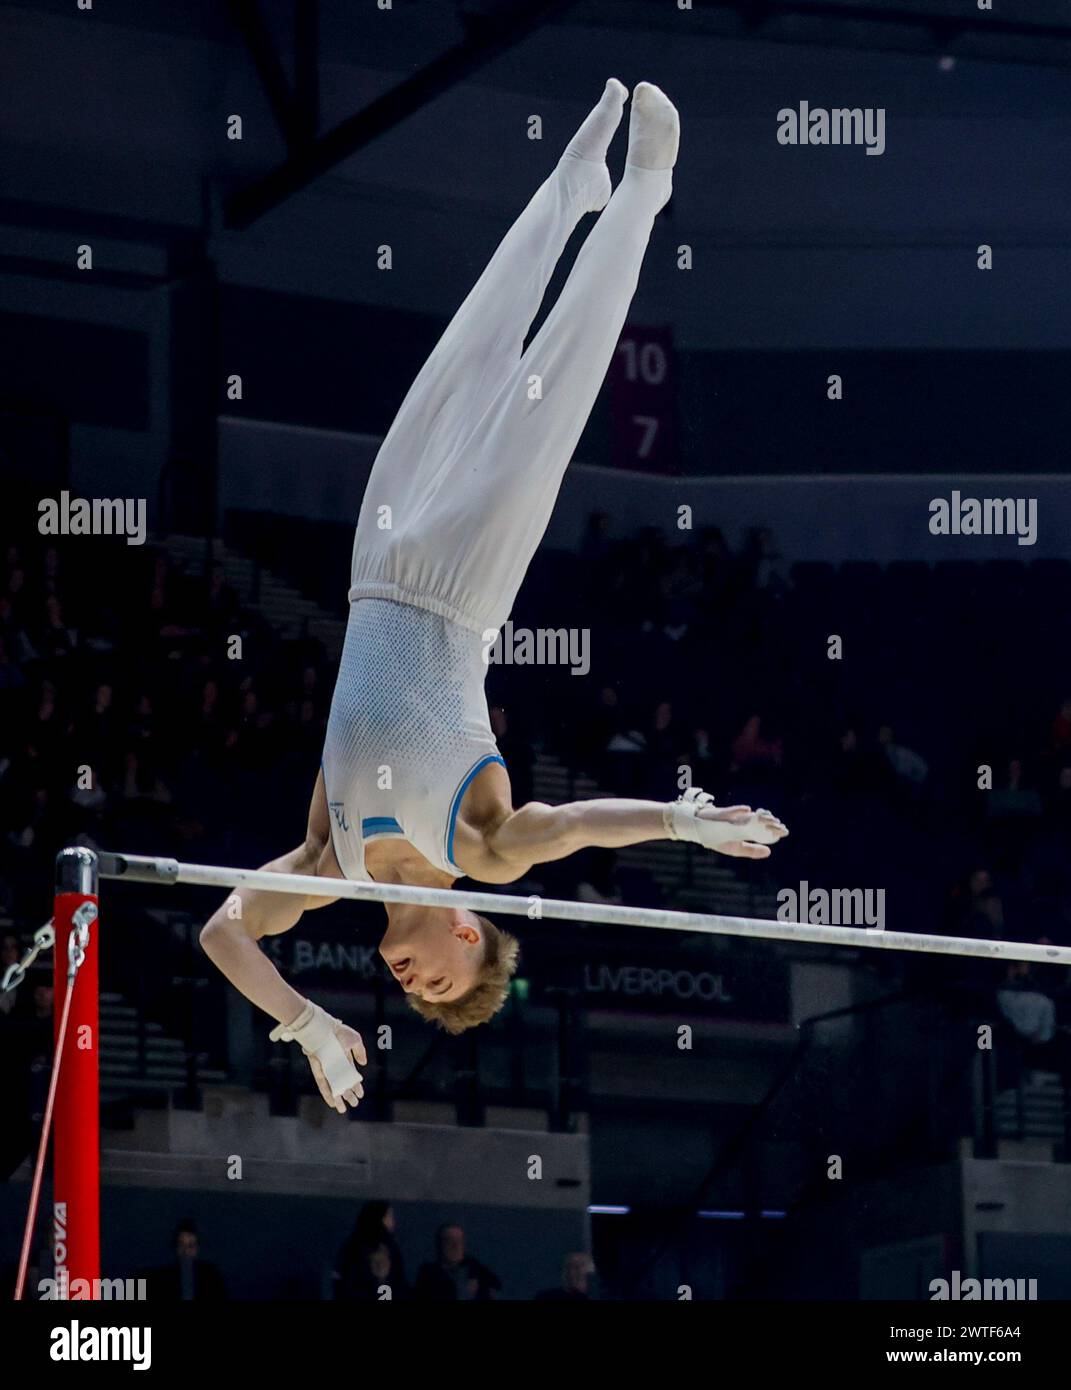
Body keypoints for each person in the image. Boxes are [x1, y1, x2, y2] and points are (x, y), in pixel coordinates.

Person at [199, 81, 788, 1112]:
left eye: (414, 997)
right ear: (467, 932)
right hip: (465, 584)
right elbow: (568, 829)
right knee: (546, 391)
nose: (411, 986)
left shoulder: (327, 859)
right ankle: (641, 190)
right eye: (439, 981)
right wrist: (678, 820)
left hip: (375, 569)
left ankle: (569, 195)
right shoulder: (476, 848)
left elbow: (221, 930)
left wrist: (305, 1022)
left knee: (464, 360)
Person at [141, 1220, 227, 1301]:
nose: (186, 1251)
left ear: (197, 1248)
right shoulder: (163, 1275)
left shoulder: (210, 1274)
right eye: (181, 1245)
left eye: (191, 1245)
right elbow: (134, 1285)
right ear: (175, 1247)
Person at [413, 1223, 500, 1302]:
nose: (455, 1246)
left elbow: (496, 1284)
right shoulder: (429, 1272)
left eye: (459, 1241)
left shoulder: (473, 1267)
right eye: (449, 1241)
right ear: (440, 1245)